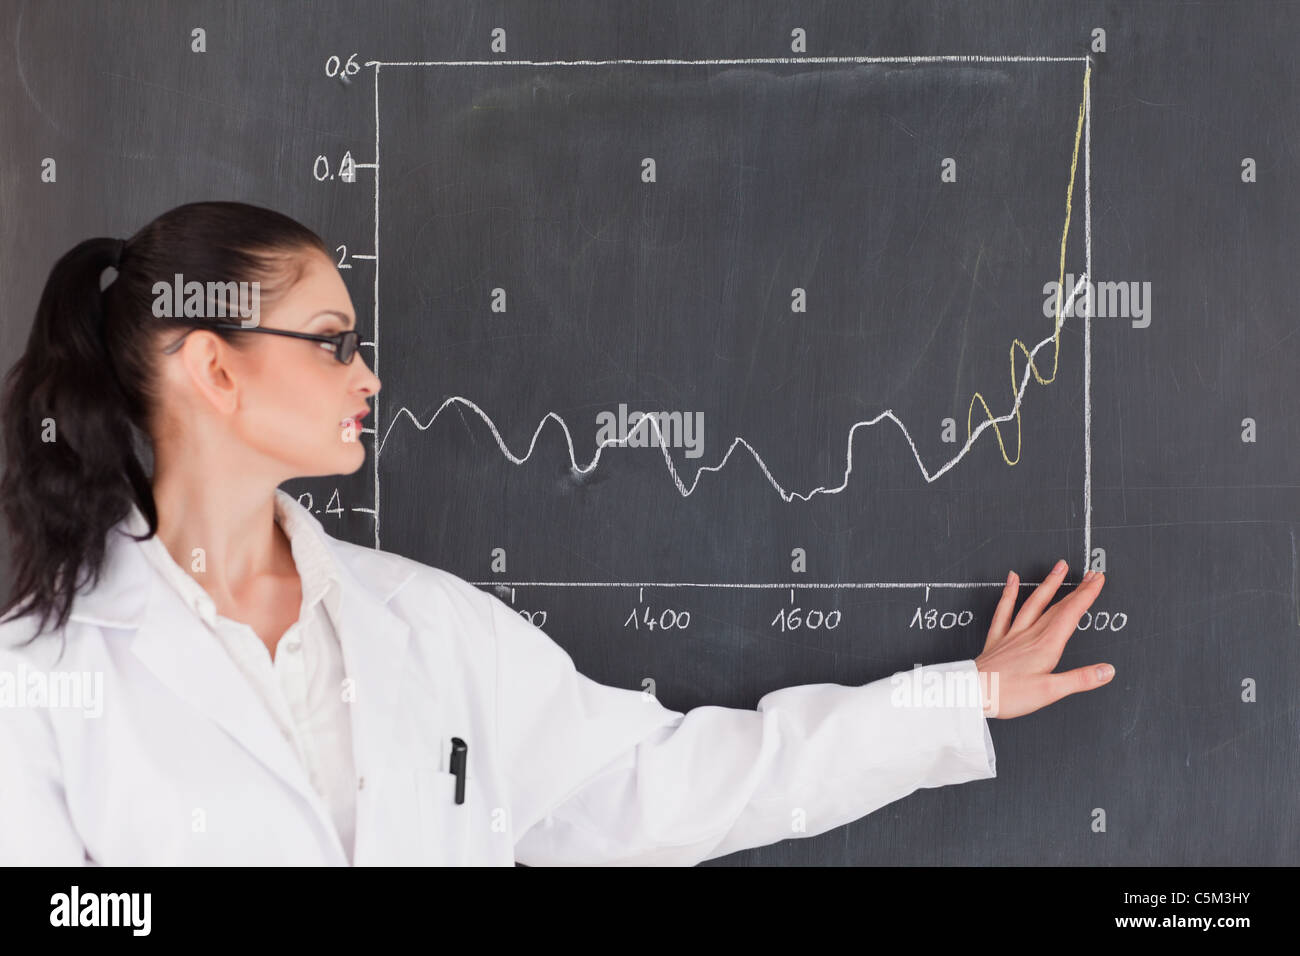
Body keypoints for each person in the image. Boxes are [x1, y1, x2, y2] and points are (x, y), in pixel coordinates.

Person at [0, 201, 1115, 866]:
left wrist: (954, 698)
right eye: (333, 340)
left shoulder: (426, 626)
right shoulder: (43, 668)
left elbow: (667, 783)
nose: (370, 374)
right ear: (214, 367)